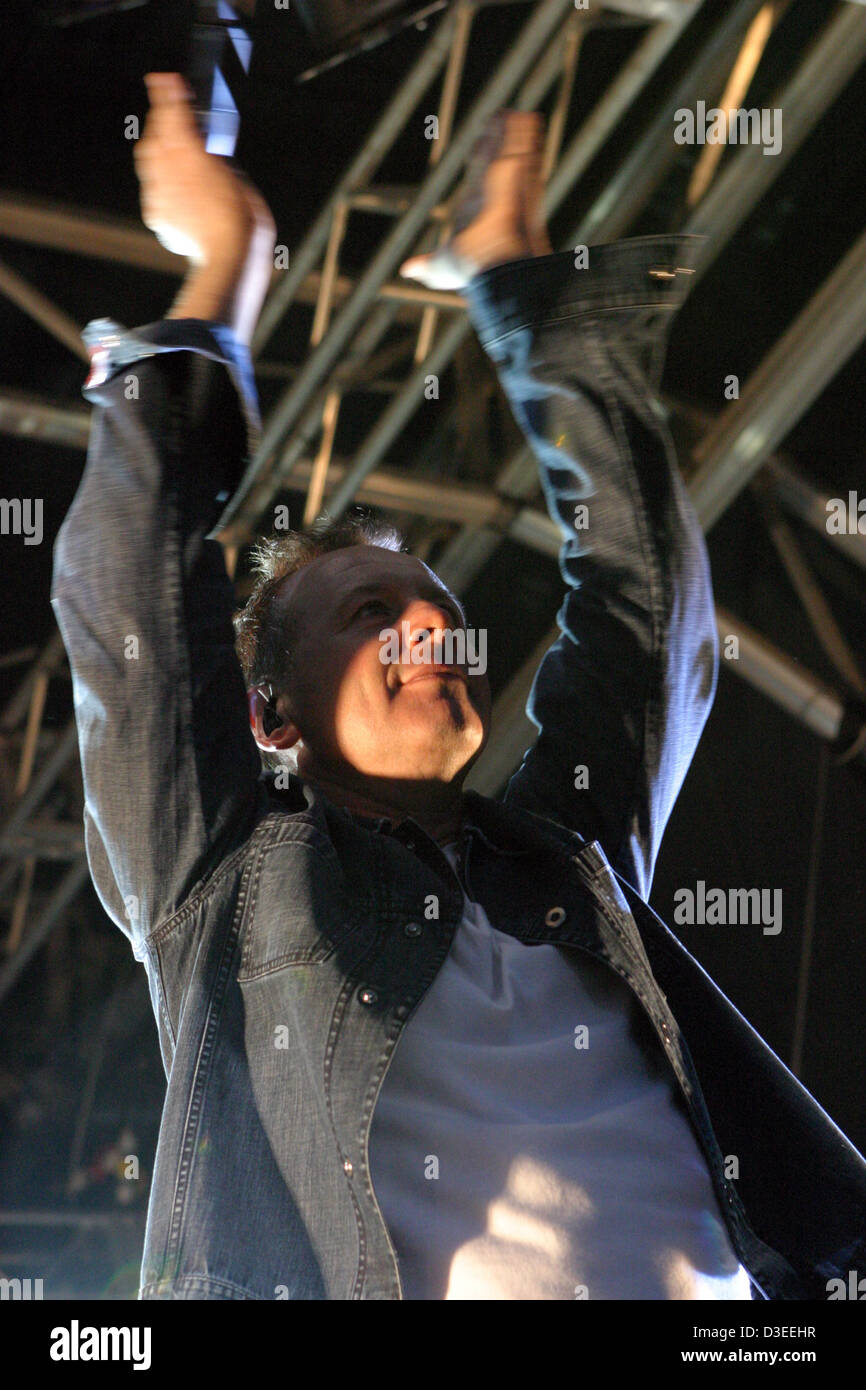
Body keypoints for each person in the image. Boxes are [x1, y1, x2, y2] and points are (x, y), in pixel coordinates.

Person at [52, 72, 866, 1301]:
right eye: (372, 612)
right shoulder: (226, 878)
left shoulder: (571, 858)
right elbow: (130, 608)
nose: (431, 623)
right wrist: (226, 264)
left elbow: (651, 613)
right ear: (271, 715)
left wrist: (523, 295)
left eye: (436, 606)